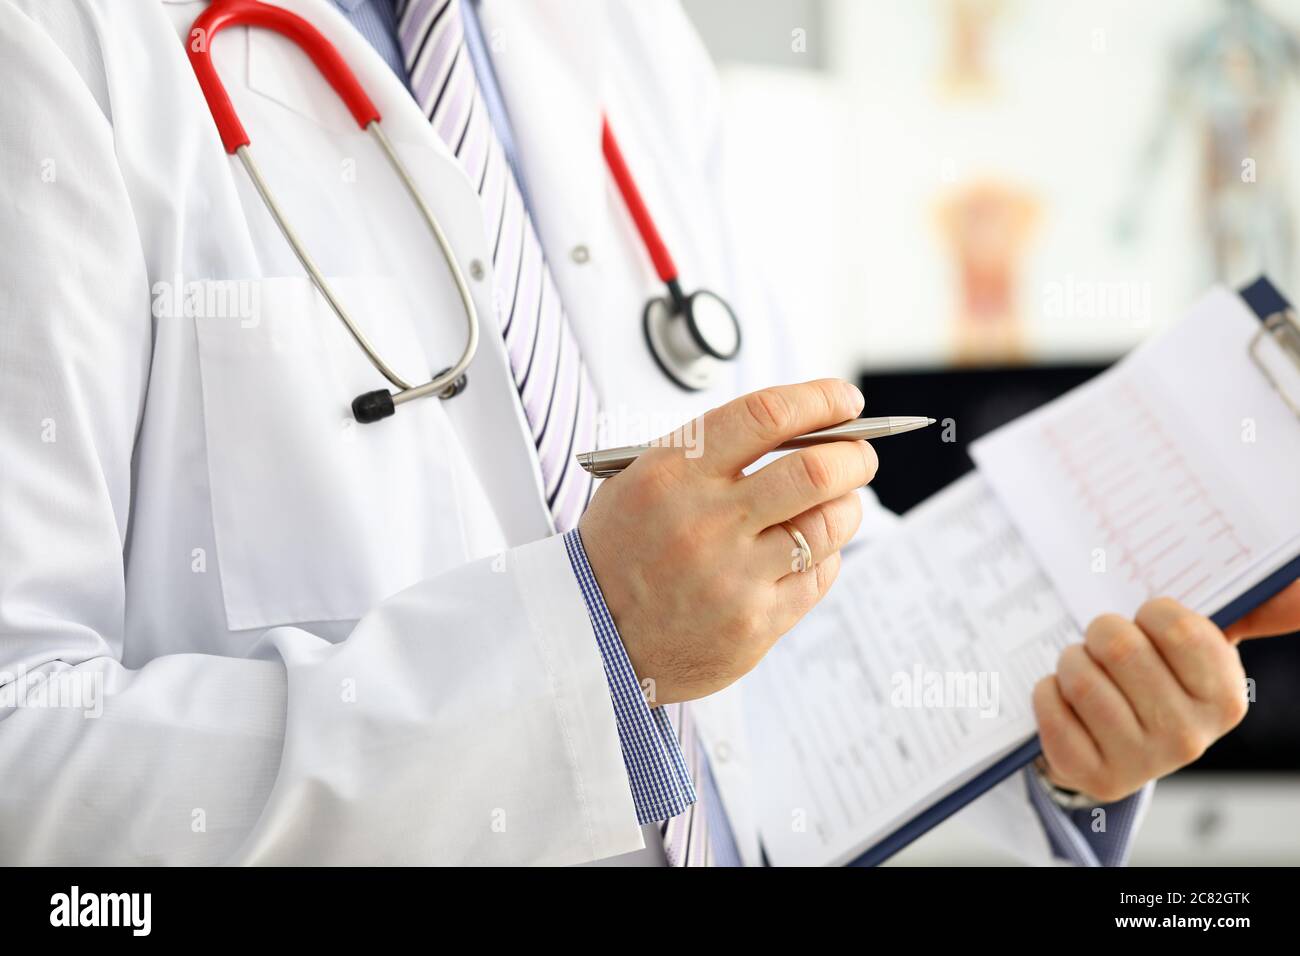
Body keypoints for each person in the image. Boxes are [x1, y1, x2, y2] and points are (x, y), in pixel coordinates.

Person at [0, 0, 1295, 866]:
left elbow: (802, 592)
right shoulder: (57, 50)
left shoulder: (620, 38)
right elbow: (21, 758)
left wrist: (1052, 746)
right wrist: (582, 649)